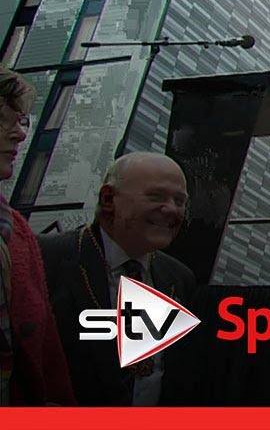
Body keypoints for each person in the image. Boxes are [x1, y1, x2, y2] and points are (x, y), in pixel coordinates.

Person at [39, 151, 195, 406]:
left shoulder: (179, 278)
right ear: (108, 198)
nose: (171, 210)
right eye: (155, 196)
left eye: (180, 200)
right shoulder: (46, 259)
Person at [0, 68, 75, 405]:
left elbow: (49, 358)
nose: (18, 135)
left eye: (21, 121)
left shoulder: (17, 233)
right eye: (3, 120)